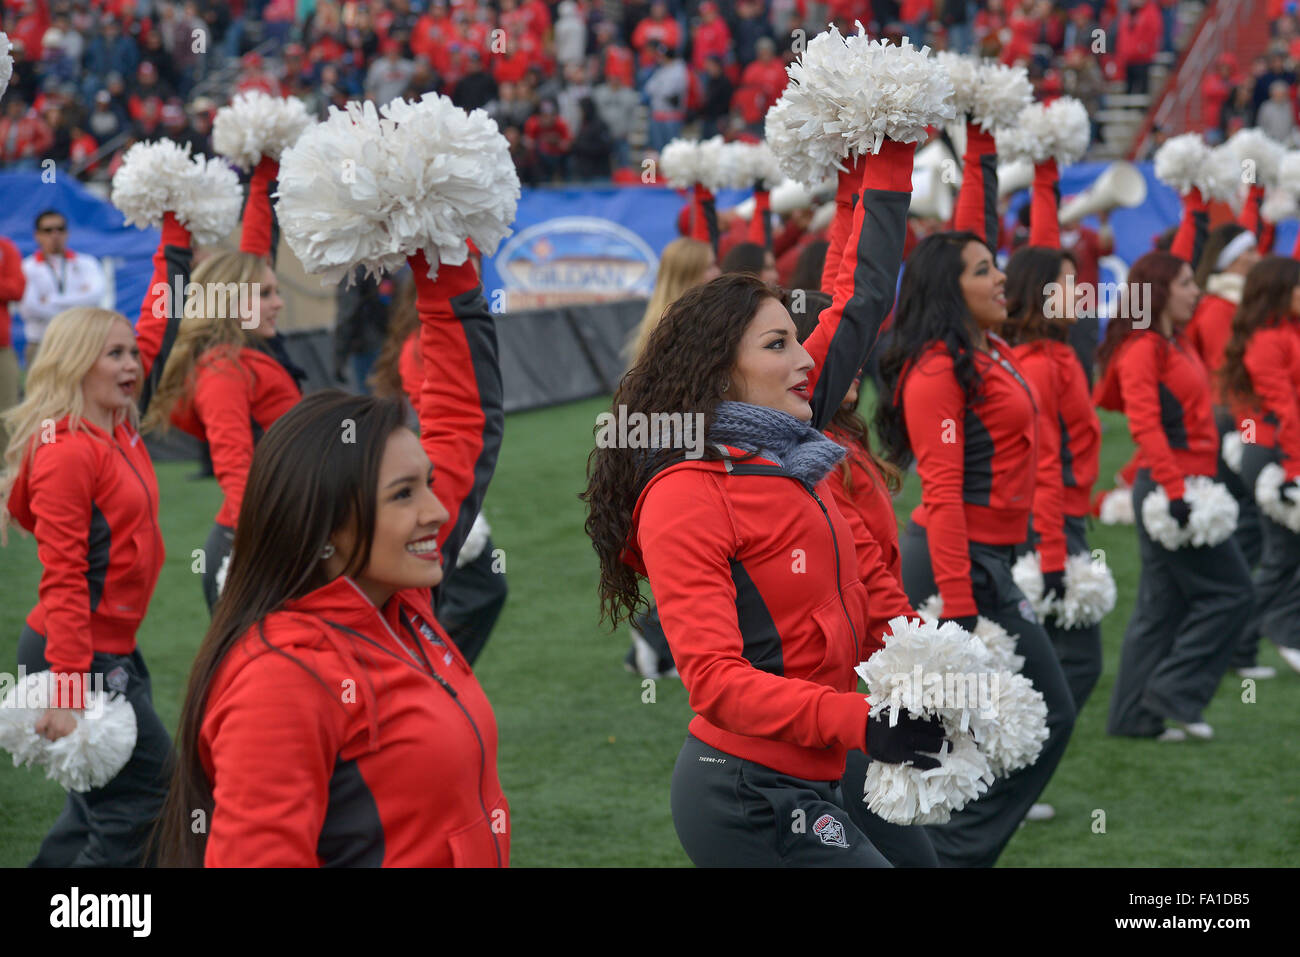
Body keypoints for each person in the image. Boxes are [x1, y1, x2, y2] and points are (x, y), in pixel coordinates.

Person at [584, 139, 943, 867]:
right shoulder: (685, 492)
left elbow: (867, 588)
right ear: (719, 371)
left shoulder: (795, 457)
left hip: (818, 766)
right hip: (745, 791)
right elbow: (714, 681)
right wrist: (862, 721)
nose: (807, 359)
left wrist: (934, 665)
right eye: (778, 344)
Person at [155, 242, 507, 866]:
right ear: (328, 526)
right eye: (404, 494)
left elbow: (463, 421)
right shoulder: (280, 679)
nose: (436, 511)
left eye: (427, 483)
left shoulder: (401, 599)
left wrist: (443, 251)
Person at [875, 231, 1077, 868]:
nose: (1002, 278)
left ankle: (947, 850)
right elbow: (943, 492)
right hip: (953, 565)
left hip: (989, 559)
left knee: (1005, 722)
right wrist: (959, 605)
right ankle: (950, 854)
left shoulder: (989, 349)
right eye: (984, 270)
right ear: (949, 288)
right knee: (1042, 713)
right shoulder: (937, 370)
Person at [0, 307, 171, 867]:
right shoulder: (68, 450)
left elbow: (157, 330)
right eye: (113, 354)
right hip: (77, 654)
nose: (132, 365)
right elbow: (64, 576)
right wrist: (70, 690)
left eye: (132, 353)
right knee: (143, 800)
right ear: (76, 363)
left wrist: (174, 254)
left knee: (94, 805)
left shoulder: (119, 426)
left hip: (109, 647)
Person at [1093, 251, 1254, 740]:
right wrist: (1175, 489)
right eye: (1185, 283)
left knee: (1161, 607)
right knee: (1232, 593)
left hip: (1186, 483)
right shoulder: (1144, 349)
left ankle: (1132, 718)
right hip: (1174, 490)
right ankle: (1175, 692)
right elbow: (1144, 424)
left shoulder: (1173, 339)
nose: (1195, 290)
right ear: (1160, 291)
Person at [1003, 247, 1104, 712]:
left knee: (1053, 659)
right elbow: (1041, 467)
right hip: (1048, 523)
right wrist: (1053, 554)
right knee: (1077, 662)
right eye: (1067, 282)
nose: (1080, 291)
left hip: (1063, 518)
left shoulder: (1058, 354)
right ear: (1039, 292)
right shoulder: (1040, 365)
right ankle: (1026, 742)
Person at [620, 236, 720, 679]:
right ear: (689, 274)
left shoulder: (662, 322)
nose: (717, 272)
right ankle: (655, 636)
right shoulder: (682, 329)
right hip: (678, 456)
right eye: (710, 266)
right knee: (700, 559)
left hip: (669, 454)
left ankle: (652, 642)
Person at [1189, 223, 1269, 677]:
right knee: (1249, 526)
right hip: (1233, 426)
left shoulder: (1233, 302)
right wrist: (1249, 438)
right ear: (1234, 260)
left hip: (1238, 424)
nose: (1258, 257)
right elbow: (1230, 382)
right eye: (1251, 251)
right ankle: (1236, 641)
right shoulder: (1221, 308)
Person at [1219, 255, 1300, 676]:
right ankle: (1266, 636)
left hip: (1280, 450)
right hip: (1275, 455)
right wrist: (1294, 472)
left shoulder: (1287, 331)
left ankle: (1251, 642)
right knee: (1281, 554)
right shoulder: (1267, 340)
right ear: (1279, 291)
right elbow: (1284, 410)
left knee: (1282, 555)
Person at [18, 210, 106, 367]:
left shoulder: (87, 262)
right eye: (48, 230)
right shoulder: (27, 267)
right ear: (37, 235)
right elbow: (30, 308)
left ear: (67, 233)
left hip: (81, 342)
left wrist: (49, 300)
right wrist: (79, 303)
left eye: (60, 229)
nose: (55, 235)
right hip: (42, 342)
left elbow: (96, 296)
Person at [0, 237, 25, 459]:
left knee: (7, 412)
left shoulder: (5, 247)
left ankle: (7, 470)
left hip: (2, 347)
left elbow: (16, 289)